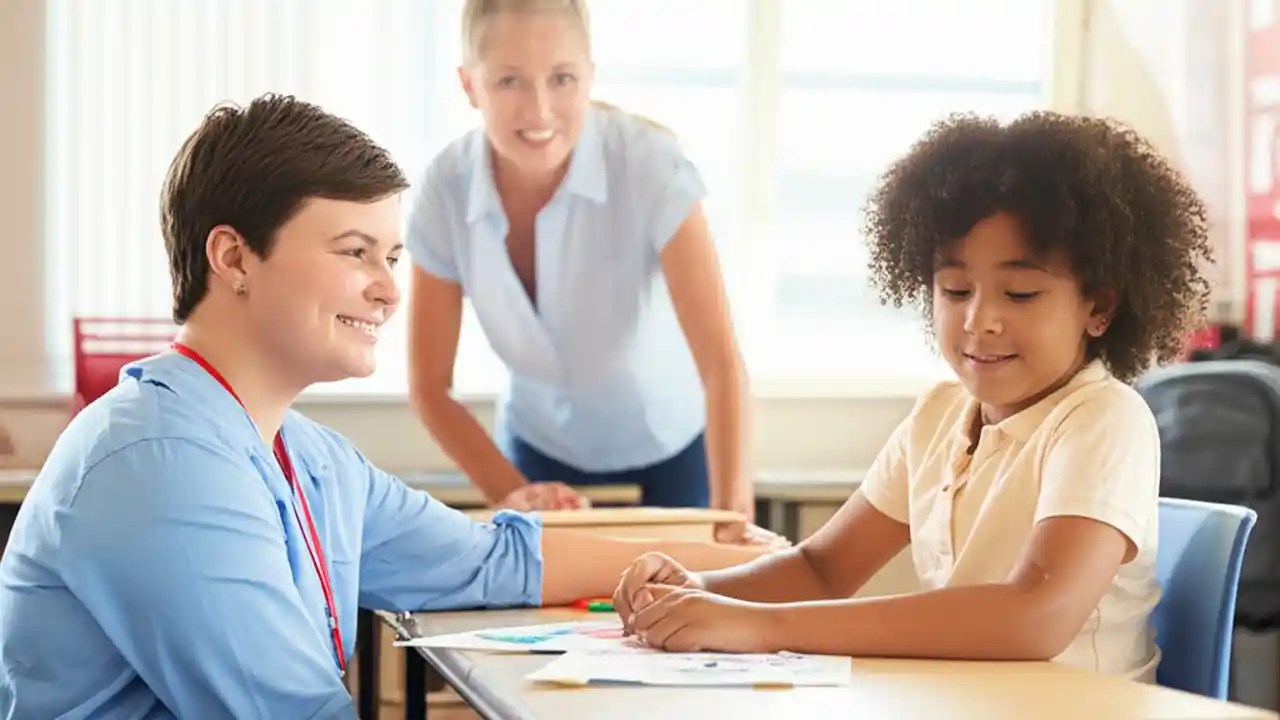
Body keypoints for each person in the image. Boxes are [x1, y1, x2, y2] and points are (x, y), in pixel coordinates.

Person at [0, 94, 767, 720]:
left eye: (392, 256)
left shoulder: (308, 457)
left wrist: (764, 569)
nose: (390, 288)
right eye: (354, 251)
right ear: (233, 258)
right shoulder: (161, 465)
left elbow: (497, 560)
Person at [612, 111, 1215, 681]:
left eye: (1021, 295)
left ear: (1099, 307)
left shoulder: (1104, 420)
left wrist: (763, 626)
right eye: (955, 290)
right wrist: (699, 590)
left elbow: (1036, 617)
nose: (980, 320)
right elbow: (823, 569)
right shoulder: (938, 415)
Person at [405, 0, 764, 542]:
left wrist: (733, 520)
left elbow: (721, 364)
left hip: (671, 444)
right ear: (469, 85)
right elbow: (430, 386)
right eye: (509, 82)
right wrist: (515, 493)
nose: (540, 111)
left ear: (590, 76)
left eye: (562, 79)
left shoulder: (651, 166)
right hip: (539, 444)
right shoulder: (445, 188)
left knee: (680, 609)